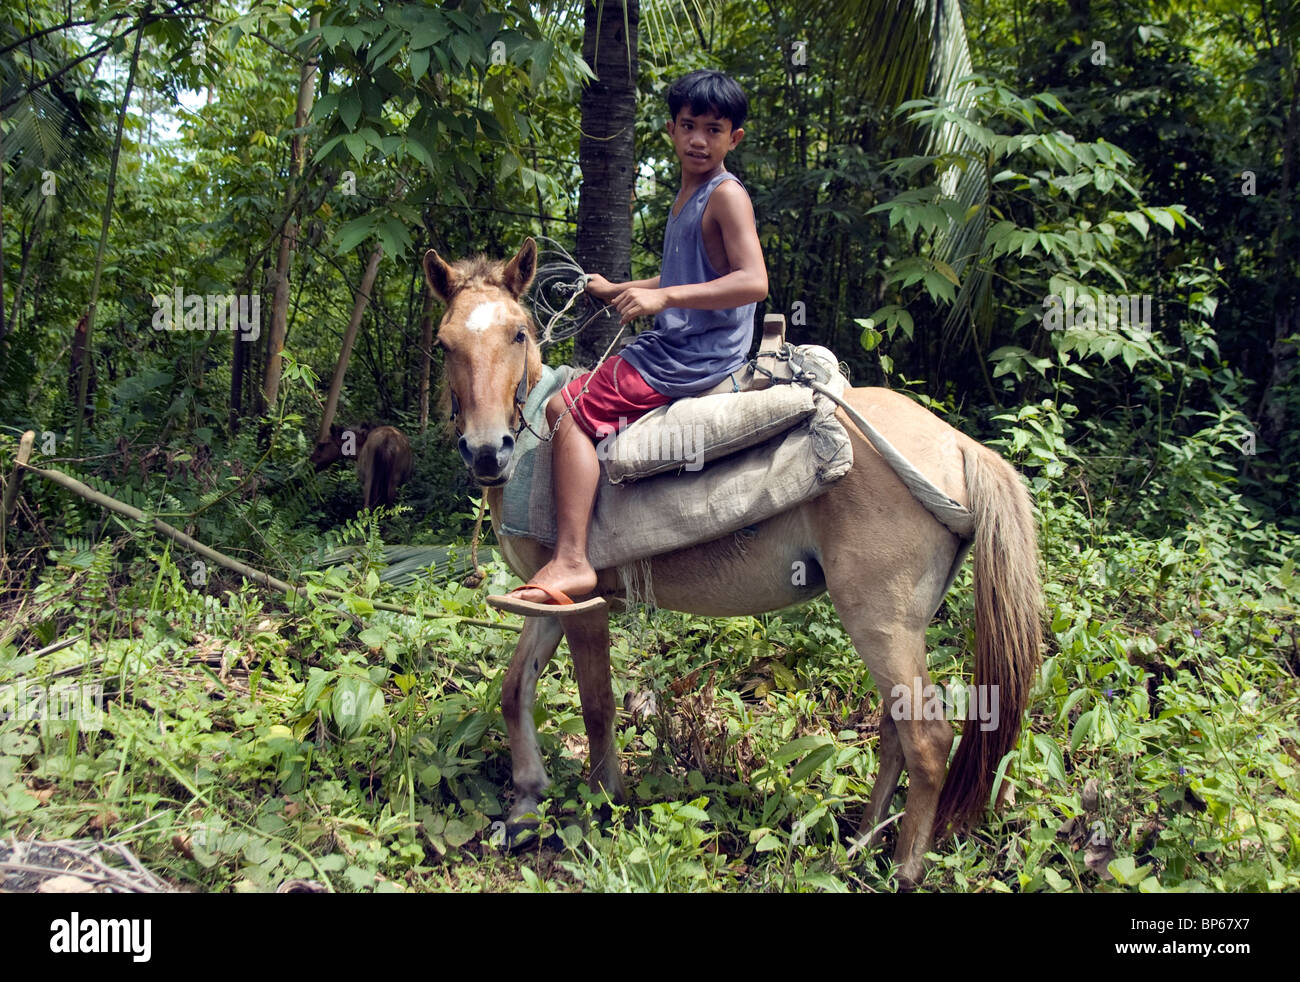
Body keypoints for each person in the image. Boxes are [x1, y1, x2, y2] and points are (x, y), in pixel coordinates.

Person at [489, 69, 768, 616]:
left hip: (695, 355)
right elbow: (684, 273)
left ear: (734, 138)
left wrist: (663, 303)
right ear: (670, 128)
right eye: (688, 126)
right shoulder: (688, 192)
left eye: (713, 130)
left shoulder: (726, 196)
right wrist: (621, 288)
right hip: (678, 344)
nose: (697, 140)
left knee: (565, 410)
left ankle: (572, 558)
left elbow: (753, 280)